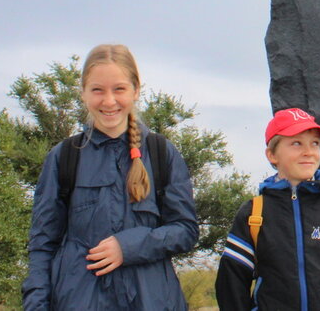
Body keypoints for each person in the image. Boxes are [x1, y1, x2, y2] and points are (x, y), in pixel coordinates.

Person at [23, 44, 198, 310]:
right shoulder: (64, 157)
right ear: (83, 93)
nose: (108, 101)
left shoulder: (162, 153)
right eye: (97, 90)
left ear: (136, 90)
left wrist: (128, 246)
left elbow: (185, 231)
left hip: (153, 301)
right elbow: (42, 245)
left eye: (119, 89)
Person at [216, 107, 320, 311]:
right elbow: (232, 283)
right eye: (296, 143)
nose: (308, 151)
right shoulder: (254, 213)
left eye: (315, 143)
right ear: (272, 154)